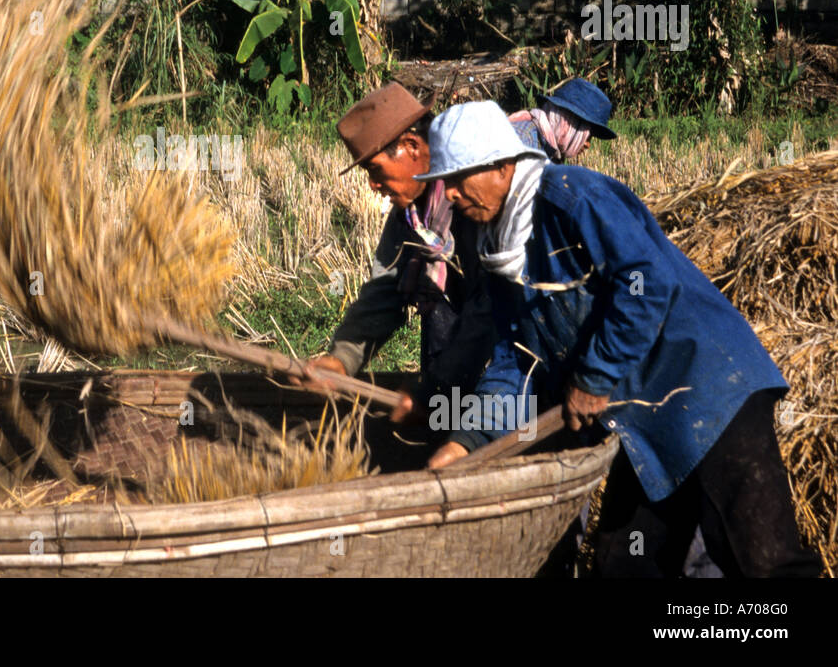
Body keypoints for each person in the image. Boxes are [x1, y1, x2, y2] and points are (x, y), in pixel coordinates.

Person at [406, 100, 818, 577]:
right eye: (445, 183)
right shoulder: (496, 250)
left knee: (763, 560)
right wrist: (465, 443)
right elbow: (515, 362)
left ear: (501, 165)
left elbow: (646, 282)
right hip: (644, 417)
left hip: (707, 387)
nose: (450, 195)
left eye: (460, 178)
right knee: (626, 563)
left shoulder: (572, 198)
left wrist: (594, 376)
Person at [295, 81, 495, 427]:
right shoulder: (411, 215)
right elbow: (385, 289)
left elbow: (494, 304)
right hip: (452, 354)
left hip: (508, 358)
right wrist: (341, 360)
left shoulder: (478, 193)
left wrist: (439, 385)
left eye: (374, 170)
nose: (372, 185)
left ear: (412, 146)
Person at [509, 77, 616, 162]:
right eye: (589, 136)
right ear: (569, 124)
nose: (588, 145)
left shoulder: (547, 149)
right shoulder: (521, 143)